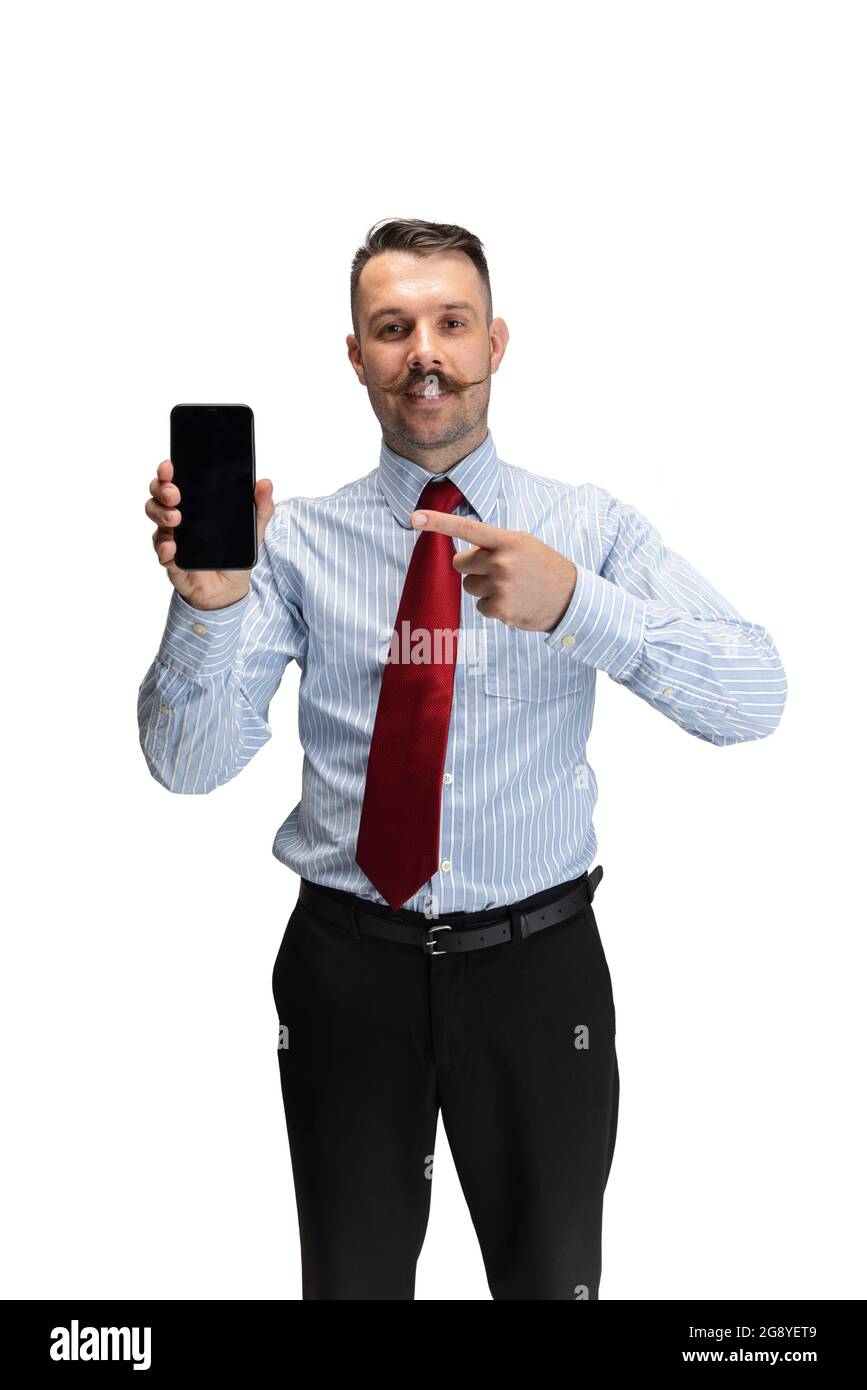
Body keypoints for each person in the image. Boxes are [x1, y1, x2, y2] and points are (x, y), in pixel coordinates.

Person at [138, 217, 788, 1300]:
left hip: (536, 970)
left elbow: (755, 696)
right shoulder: (290, 543)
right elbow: (186, 765)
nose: (423, 351)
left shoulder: (585, 526)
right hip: (348, 968)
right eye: (392, 328)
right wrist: (210, 609)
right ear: (356, 356)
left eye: (450, 322)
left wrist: (580, 606)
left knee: (553, 1287)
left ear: (495, 340)